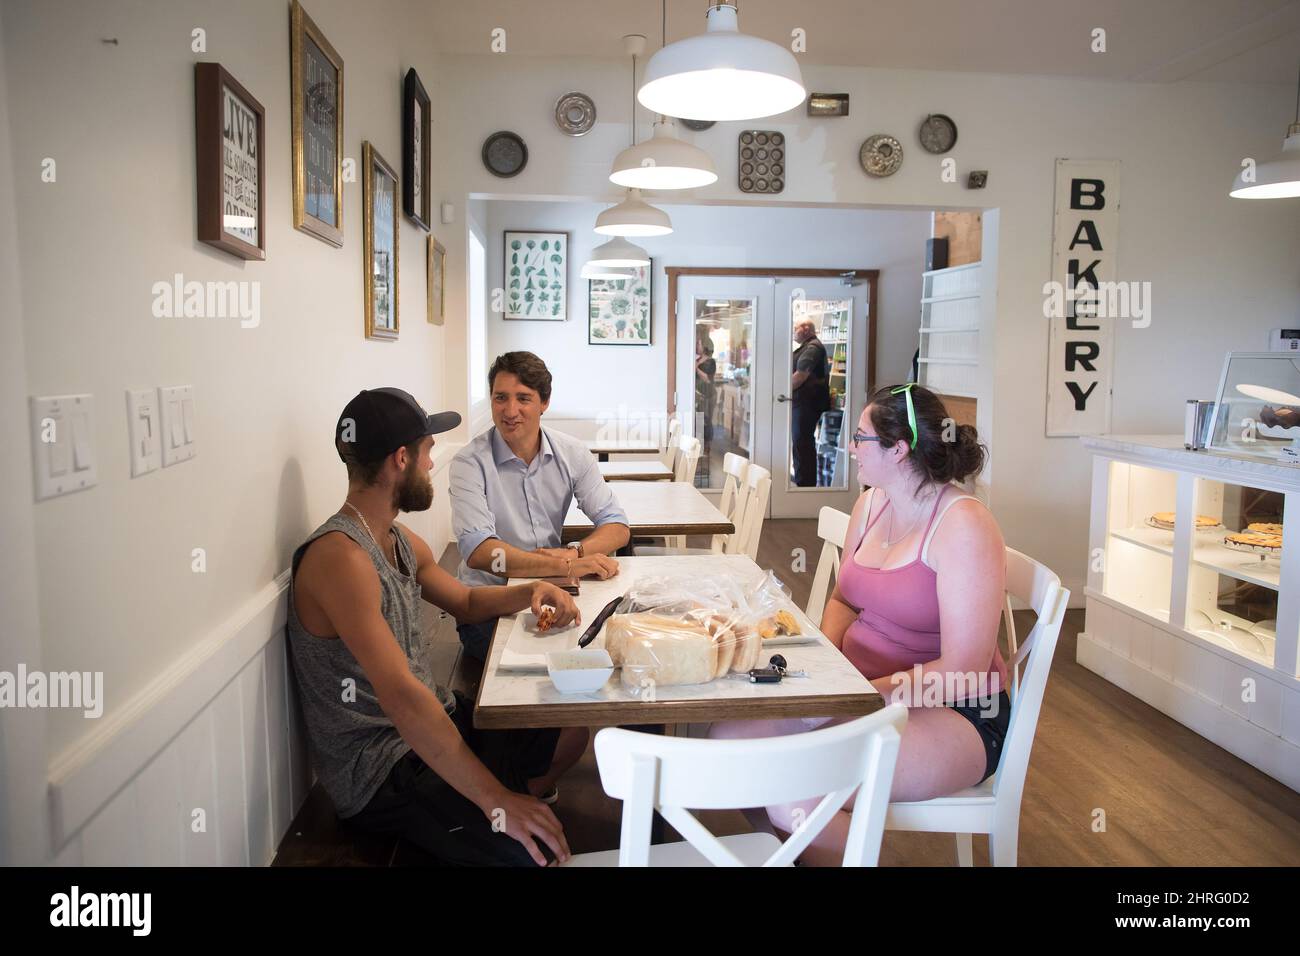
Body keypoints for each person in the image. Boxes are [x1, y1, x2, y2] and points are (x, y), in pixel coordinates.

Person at [710, 383, 1009, 866]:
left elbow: (966, 668)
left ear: (898, 448)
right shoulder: (871, 505)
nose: (850, 448)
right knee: (730, 749)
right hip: (861, 690)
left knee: (795, 790)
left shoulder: (964, 525)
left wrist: (867, 693)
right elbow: (845, 597)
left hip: (955, 711)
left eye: (861, 438)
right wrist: (827, 671)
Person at [287, 387, 581, 866]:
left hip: (430, 725)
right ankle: (496, 816)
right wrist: (496, 800)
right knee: (537, 851)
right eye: (427, 451)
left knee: (566, 731)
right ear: (401, 458)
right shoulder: (340, 558)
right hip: (381, 767)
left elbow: (464, 600)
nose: (430, 463)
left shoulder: (397, 538)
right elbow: (401, 696)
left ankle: (490, 814)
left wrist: (530, 590)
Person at [450, 351, 631, 663]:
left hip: (552, 592)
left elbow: (616, 525)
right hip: (489, 604)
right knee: (539, 667)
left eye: (523, 398)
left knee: (608, 651)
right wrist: (565, 567)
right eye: (500, 398)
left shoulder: (572, 453)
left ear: (544, 402)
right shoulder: (469, 463)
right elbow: (481, 554)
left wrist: (574, 553)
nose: (510, 411)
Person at [790, 319, 831, 486]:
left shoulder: (812, 348)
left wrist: (780, 391)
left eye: (795, 328)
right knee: (801, 444)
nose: (793, 331)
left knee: (802, 444)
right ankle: (803, 484)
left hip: (807, 404)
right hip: (803, 403)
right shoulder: (807, 347)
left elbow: (800, 376)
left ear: (806, 329)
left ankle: (805, 487)